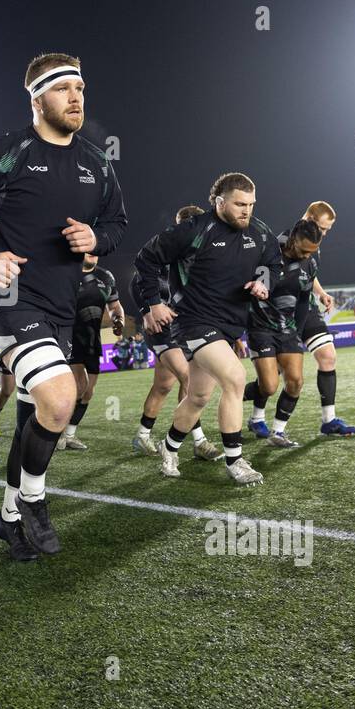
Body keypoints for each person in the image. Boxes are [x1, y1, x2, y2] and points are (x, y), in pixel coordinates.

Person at [0, 52, 128, 560]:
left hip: (60, 305)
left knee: (30, 421)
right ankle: (36, 502)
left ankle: (9, 519)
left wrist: (96, 238)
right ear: (38, 98)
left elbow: (117, 224)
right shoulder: (5, 151)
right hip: (9, 298)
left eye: (81, 89)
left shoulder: (96, 163)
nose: (76, 97)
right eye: (64, 89)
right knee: (60, 400)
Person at [135, 172, 282, 485]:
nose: (247, 210)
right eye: (240, 204)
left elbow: (274, 263)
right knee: (236, 378)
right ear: (219, 202)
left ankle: (170, 447)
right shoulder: (194, 229)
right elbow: (146, 258)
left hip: (230, 325)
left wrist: (263, 281)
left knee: (199, 396)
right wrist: (152, 304)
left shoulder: (259, 231)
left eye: (252, 204)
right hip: (195, 321)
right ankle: (235, 460)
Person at [129, 205, 222, 460]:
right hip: (162, 329)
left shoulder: (202, 254)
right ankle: (198, 441)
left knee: (162, 386)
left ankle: (142, 436)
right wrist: (146, 310)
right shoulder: (168, 246)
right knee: (188, 379)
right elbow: (138, 278)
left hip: (185, 327)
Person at [243, 219, 324, 448]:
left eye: (313, 251)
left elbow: (302, 301)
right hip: (260, 325)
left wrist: (296, 333)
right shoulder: (267, 251)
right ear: (293, 240)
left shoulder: (309, 264)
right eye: (304, 250)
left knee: (296, 381)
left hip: (287, 329)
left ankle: (278, 432)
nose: (308, 255)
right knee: (268, 386)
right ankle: (234, 392)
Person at [284, 201, 355, 438]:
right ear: (309, 218)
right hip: (282, 314)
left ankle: (329, 421)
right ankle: (256, 419)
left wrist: (322, 293)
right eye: (322, 228)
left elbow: (308, 272)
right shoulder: (283, 241)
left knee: (328, 356)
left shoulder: (313, 240)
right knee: (271, 377)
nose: (324, 234)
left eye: (327, 230)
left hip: (307, 310)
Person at [59, 254, 124, 450]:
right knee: (80, 385)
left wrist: (117, 320)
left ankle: (69, 435)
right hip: (68, 337)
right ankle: (54, 432)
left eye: (96, 250)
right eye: (88, 251)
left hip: (92, 339)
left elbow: (114, 305)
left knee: (87, 392)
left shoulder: (106, 277)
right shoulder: (66, 274)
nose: (93, 254)